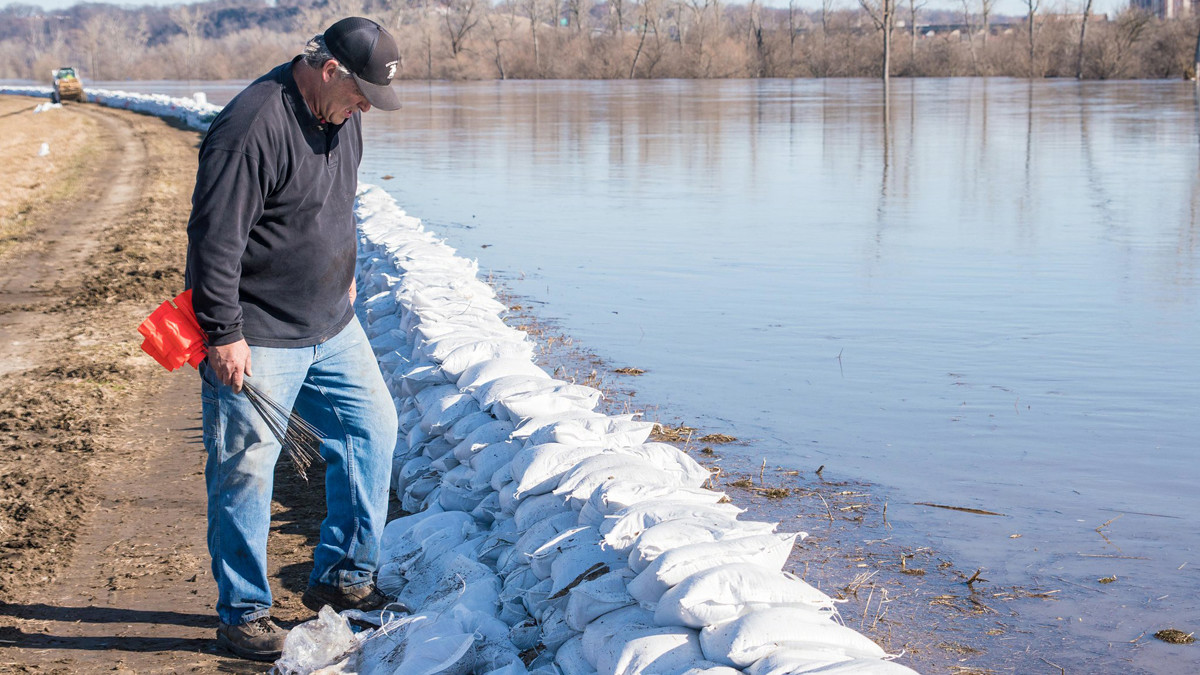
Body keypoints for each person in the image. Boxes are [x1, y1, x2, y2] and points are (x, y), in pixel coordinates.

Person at [184, 17, 401, 662]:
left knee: (372, 430)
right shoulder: (250, 126)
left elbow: (337, 204)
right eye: (361, 93)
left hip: (334, 324)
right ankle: (245, 612)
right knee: (246, 468)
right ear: (329, 67)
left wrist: (348, 274)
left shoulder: (341, 114)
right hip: (259, 333)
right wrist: (222, 333)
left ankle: (344, 576)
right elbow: (214, 241)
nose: (366, 108)